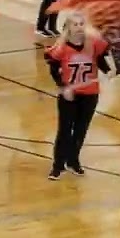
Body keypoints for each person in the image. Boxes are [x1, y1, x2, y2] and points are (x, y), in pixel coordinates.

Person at [44, 11, 112, 180]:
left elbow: (100, 61)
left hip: (90, 94)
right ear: (68, 28)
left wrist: (108, 71)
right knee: (65, 130)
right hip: (70, 96)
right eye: (75, 24)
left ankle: (73, 161)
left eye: (82, 24)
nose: (79, 27)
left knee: (81, 130)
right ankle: (58, 165)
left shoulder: (93, 44)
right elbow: (54, 69)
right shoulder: (61, 48)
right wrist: (63, 86)